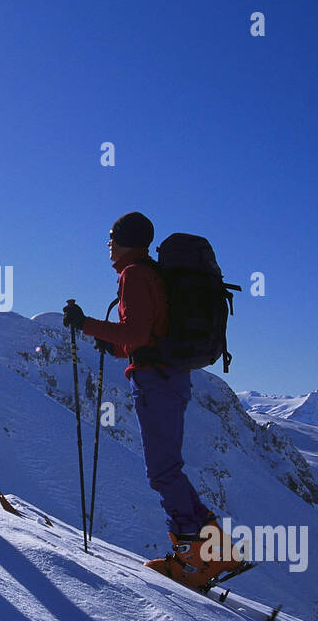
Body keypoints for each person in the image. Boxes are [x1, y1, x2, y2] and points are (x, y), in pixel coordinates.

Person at [62, 211, 243, 589]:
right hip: (169, 377)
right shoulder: (149, 274)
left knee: (162, 472)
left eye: (113, 237)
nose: (108, 245)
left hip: (156, 381)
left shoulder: (134, 275)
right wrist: (112, 345)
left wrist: (86, 323)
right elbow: (143, 336)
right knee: (168, 468)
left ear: (127, 240)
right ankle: (212, 551)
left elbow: (137, 333)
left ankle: (194, 560)